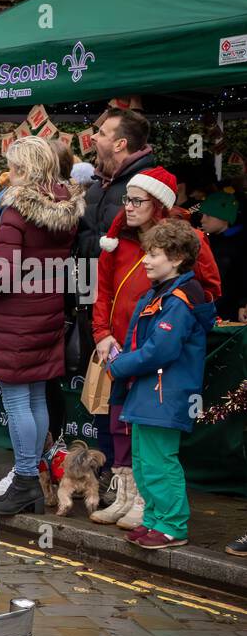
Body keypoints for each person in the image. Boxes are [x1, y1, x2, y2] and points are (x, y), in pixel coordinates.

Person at [89, 166, 220, 528]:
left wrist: (183, 321)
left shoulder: (185, 242)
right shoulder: (116, 243)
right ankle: (126, 494)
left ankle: (153, 507)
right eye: (125, 199)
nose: (127, 207)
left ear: (158, 203)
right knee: (119, 424)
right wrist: (101, 332)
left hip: (155, 354)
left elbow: (207, 289)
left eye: (136, 200)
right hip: (119, 347)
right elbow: (102, 290)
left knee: (151, 441)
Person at [0, 137, 84, 515]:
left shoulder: (17, 211)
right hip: (48, 309)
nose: (10, 174)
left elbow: (4, 272)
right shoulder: (66, 210)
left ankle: (23, 480)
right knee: (36, 397)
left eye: (14, 168)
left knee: (19, 400)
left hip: (16, 315)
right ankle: (29, 478)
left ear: (25, 170)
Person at [105, 219, 216, 549]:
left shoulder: (178, 300)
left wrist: (118, 366)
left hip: (164, 392)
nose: (146, 261)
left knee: (159, 461)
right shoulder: (162, 293)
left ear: (178, 257)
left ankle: (172, 525)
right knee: (143, 460)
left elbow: (160, 350)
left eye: (154, 254)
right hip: (150, 391)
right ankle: (154, 518)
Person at [80, 109, 156, 259]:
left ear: (119, 144)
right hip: (87, 279)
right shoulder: (96, 186)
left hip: (123, 280)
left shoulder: (147, 186)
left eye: (101, 133)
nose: (93, 137)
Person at [197, 191, 245, 321]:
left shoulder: (240, 245)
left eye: (208, 215)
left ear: (224, 218)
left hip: (231, 314)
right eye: (202, 214)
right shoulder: (206, 241)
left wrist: (243, 304)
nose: (202, 220)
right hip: (208, 309)